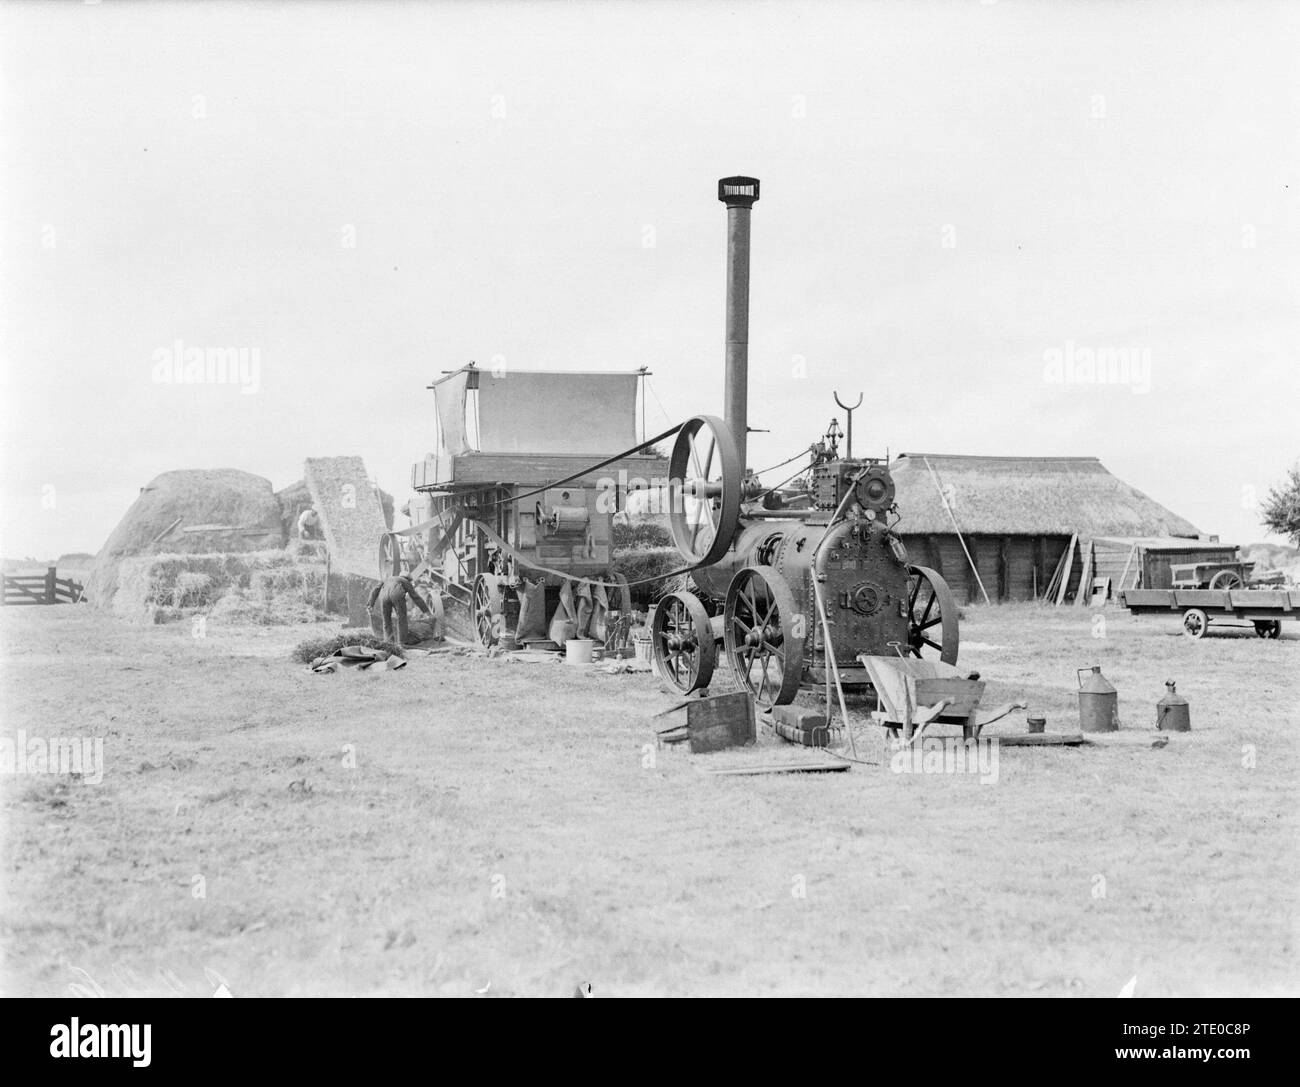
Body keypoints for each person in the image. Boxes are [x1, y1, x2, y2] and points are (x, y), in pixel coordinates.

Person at [366, 575, 432, 646]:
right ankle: (402, 643)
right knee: (402, 618)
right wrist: (426, 611)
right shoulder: (405, 581)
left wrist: (370, 604)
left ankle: (389, 642)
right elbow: (416, 597)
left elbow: (375, 590)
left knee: (386, 620)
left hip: (383, 596)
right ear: (408, 579)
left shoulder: (387, 579)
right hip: (396, 593)